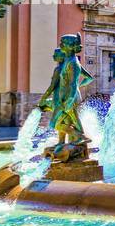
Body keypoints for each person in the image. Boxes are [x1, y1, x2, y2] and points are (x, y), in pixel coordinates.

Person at [38, 34, 95, 162]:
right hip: (65, 97)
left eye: (63, 43)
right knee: (68, 122)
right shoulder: (68, 61)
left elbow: (73, 83)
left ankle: (79, 136)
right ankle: (73, 139)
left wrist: (69, 100)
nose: (61, 45)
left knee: (54, 123)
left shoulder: (73, 63)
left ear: (69, 46)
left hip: (69, 99)